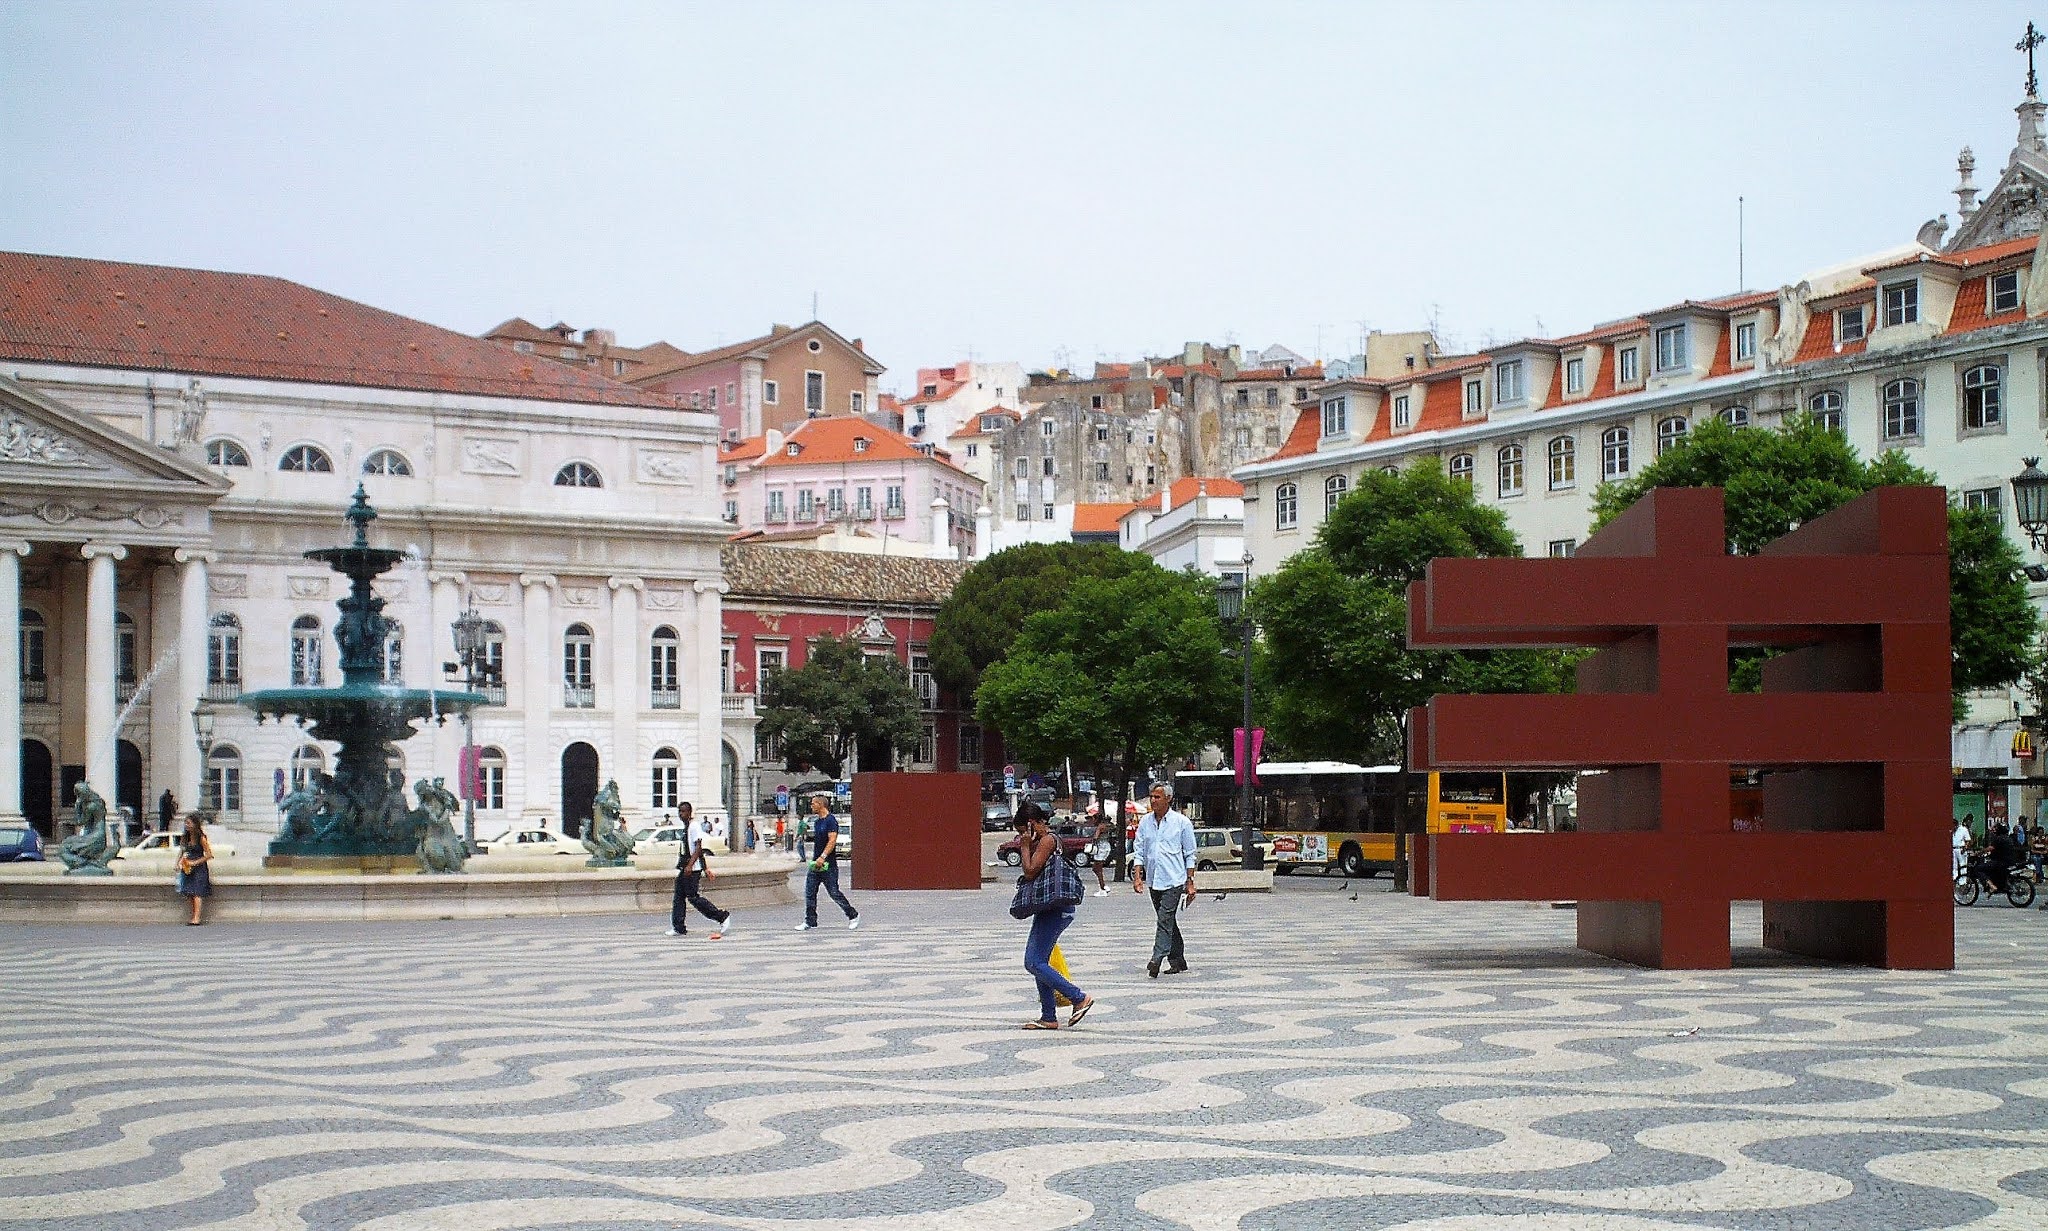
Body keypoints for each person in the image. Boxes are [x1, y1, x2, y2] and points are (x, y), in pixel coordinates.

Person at [1013, 802, 1092, 1029]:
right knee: (1041, 961)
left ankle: (1079, 998)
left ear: (1032, 824)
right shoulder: (1046, 840)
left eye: (1021, 831)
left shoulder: (1048, 840)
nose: (1020, 837)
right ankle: (1048, 1017)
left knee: (1033, 961)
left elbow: (1029, 871)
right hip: (1050, 908)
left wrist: (1025, 846)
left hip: (1056, 909)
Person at [1131, 783, 1195, 978]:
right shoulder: (1145, 823)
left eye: (1157, 797)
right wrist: (1138, 877)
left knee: (1164, 919)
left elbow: (1190, 854)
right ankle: (1178, 960)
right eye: (1151, 796)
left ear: (1168, 799)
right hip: (1154, 879)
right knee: (1167, 920)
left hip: (1174, 880)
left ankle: (1156, 958)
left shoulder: (1181, 823)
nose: (1153, 800)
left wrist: (1190, 882)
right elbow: (1139, 851)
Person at [795, 793, 859, 931]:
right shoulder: (817, 822)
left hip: (828, 864)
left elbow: (832, 840)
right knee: (810, 892)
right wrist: (816, 859)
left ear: (821, 804)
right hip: (815, 864)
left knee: (834, 892)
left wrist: (823, 856)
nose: (811, 806)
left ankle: (853, 915)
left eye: (813, 803)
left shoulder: (831, 821)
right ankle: (810, 921)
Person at [669, 802, 732, 939]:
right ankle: (678, 927)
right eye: (679, 812)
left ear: (690, 812)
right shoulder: (687, 827)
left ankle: (721, 916)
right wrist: (705, 868)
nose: (681, 814)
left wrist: (691, 866)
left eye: (683, 812)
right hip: (686, 867)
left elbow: (698, 849)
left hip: (692, 869)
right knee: (679, 896)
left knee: (693, 897)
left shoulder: (694, 826)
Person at [176, 813, 213, 925]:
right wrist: (177, 863)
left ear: (195, 824)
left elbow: (209, 855)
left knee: (197, 892)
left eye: (188, 823)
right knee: (189, 892)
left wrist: (194, 862)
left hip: (199, 868)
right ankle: (193, 916)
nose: (186, 825)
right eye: (185, 823)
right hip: (187, 867)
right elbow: (182, 851)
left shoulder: (201, 838)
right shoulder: (185, 837)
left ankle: (196, 918)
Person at [1086, 807, 1112, 897]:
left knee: (1098, 869)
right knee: (1096, 868)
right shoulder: (1107, 826)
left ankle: (1102, 888)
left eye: (1093, 819)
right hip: (1106, 846)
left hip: (1101, 848)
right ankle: (1103, 886)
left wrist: (1092, 843)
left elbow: (1096, 837)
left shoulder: (1100, 827)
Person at [1953, 814, 1974, 879]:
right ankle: (1955, 878)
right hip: (1953, 849)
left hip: (1961, 849)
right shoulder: (1951, 831)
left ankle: (1963, 880)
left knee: (1963, 865)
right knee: (1954, 865)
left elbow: (1968, 840)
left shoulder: (1963, 829)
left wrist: (1965, 848)